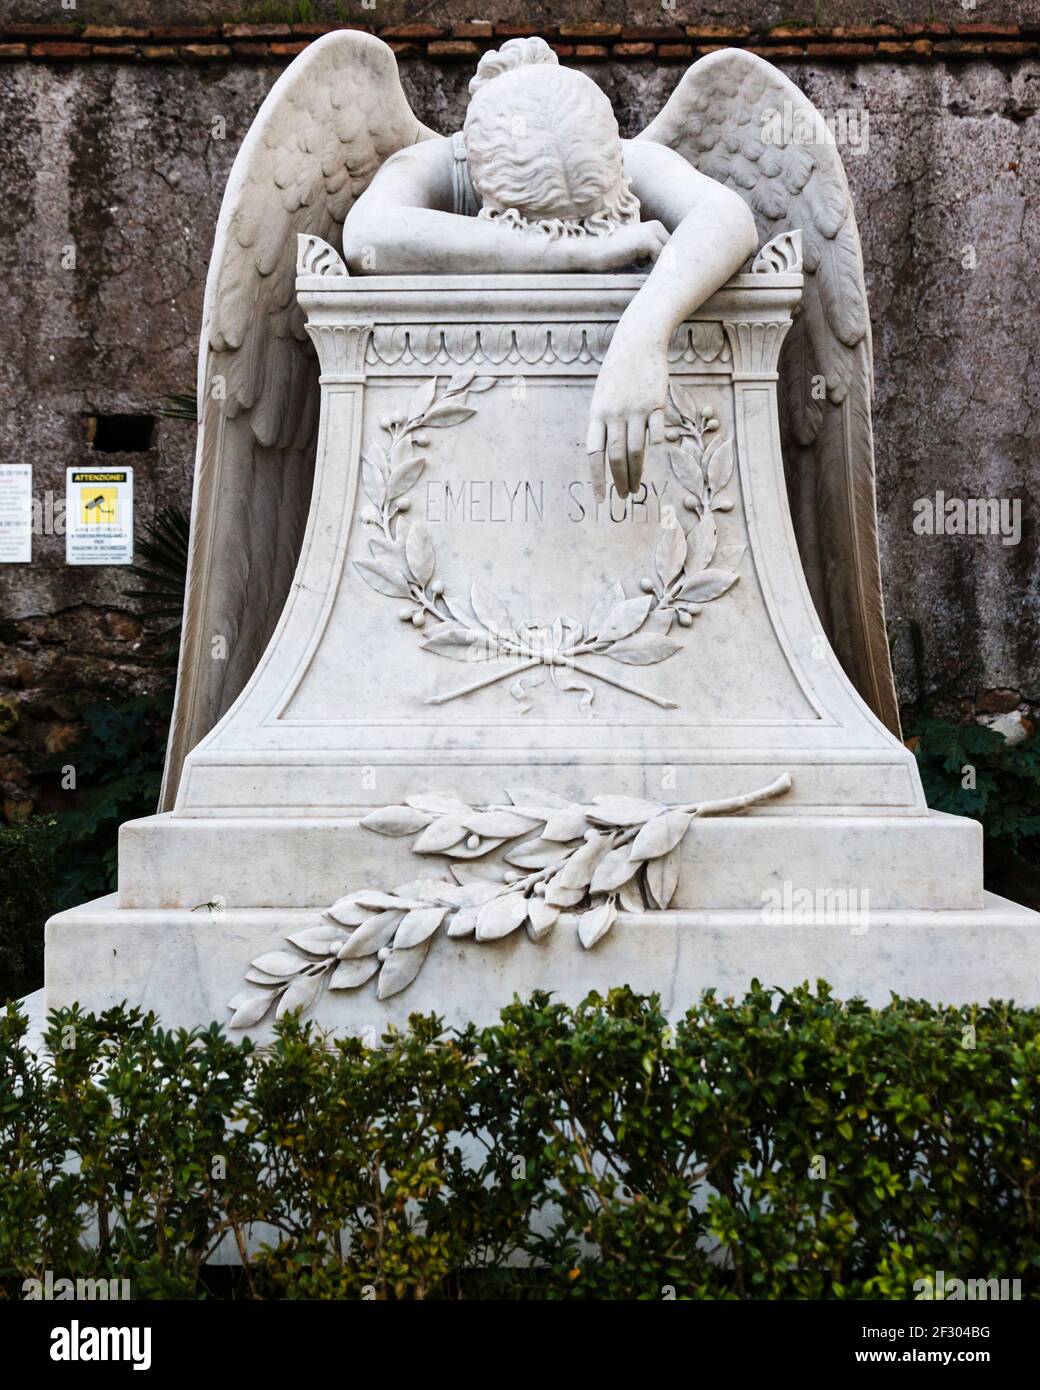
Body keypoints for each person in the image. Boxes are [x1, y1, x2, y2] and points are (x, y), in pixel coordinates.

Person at [343, 37, 758, 501]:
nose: (586, 238)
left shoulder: (620, 156)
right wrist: (576, 253)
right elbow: (367, 237)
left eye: (599, 219)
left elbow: (729, 217)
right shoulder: (438, 167)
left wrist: (644, 334)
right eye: (533, 225)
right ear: (485, 194)